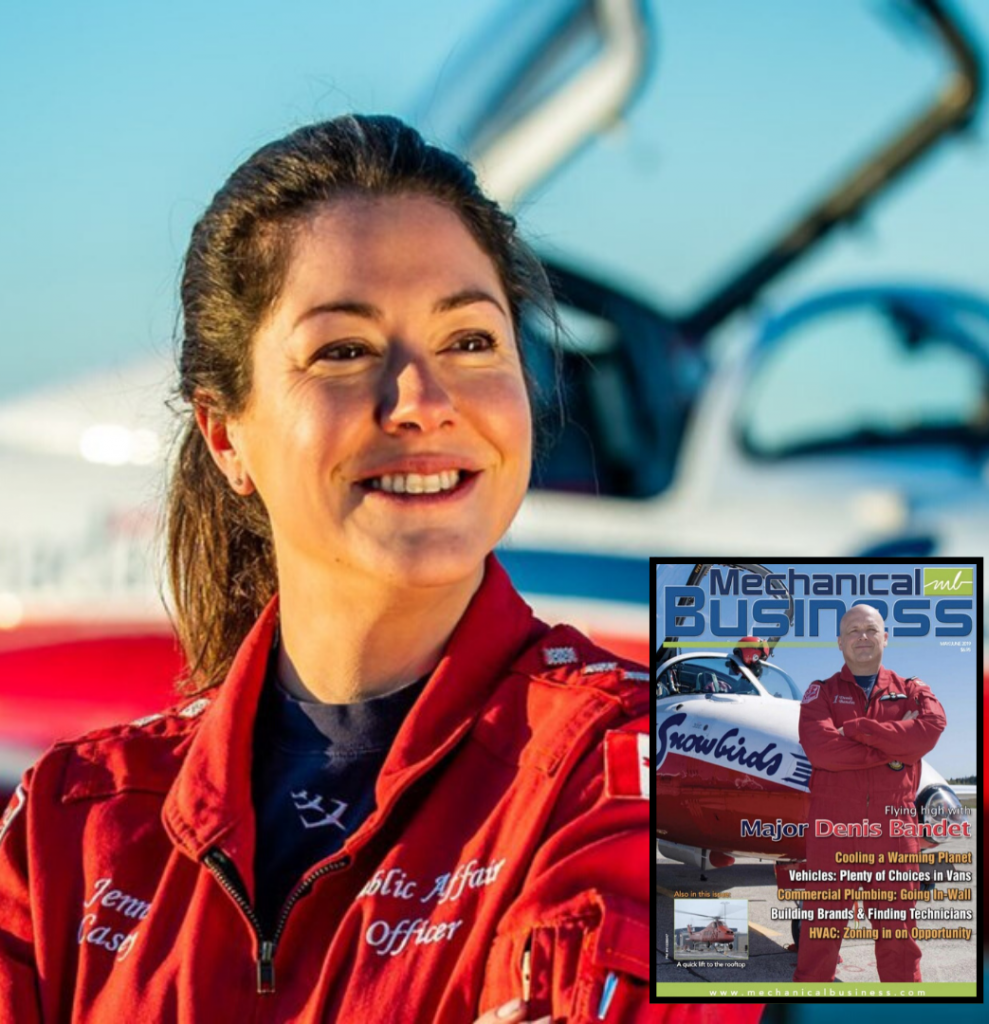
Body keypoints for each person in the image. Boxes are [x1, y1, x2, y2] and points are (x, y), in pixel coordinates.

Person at [0, 116, 762, 1023]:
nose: (425, 402)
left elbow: (887, 888)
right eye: (345, 351)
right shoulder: (70, 823)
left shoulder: (718, 759)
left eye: (473, 341)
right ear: (224, 435)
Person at [793, 602, 947, 983]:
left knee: (899, 939)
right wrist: (896, 743)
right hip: (833, 833)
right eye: (853, 631)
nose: (863, 636)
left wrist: (858, 729)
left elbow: (932, 728)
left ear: (885, 637)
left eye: (871, 629)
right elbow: (821, 750)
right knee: (819, 937)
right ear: (840, 642)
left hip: (895, 834)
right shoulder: (821, 692)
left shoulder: (912, 690)